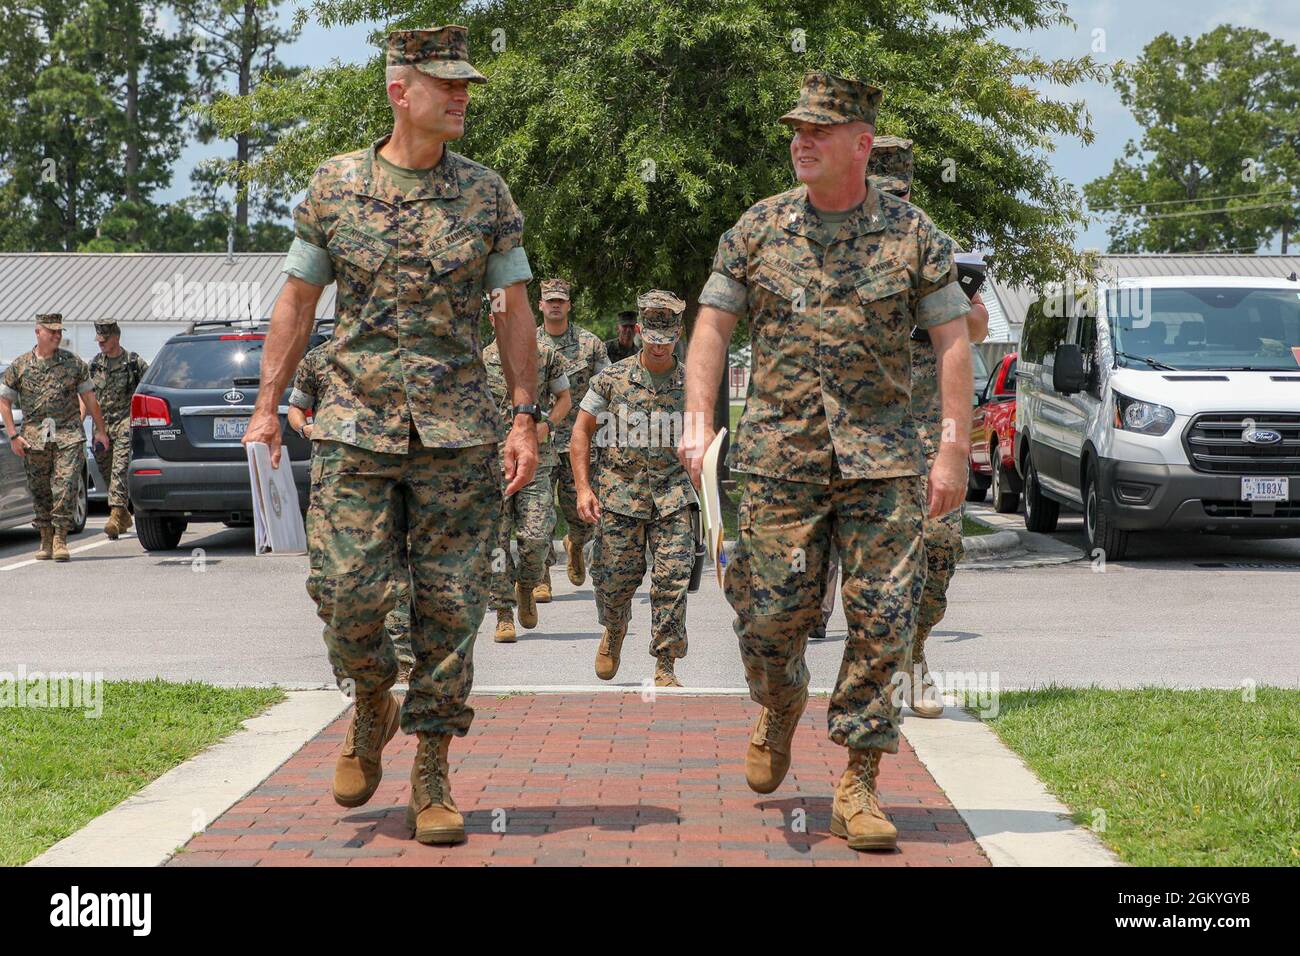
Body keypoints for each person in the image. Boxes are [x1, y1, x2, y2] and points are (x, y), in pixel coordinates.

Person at [241, 25, 539, 847]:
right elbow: (298, 300)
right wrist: (268, 405)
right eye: (445, 83)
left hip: (458, 437)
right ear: (398, 91)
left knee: (451, 608)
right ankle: (373, 697)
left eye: (467, 83)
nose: (462, 95)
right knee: (346, 595)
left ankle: (433, 769)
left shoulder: (487, 194)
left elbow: (514, 308)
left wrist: (524, 414)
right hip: (356, 427)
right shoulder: (334, 185)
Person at [680, 73, 973, 851]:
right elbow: (711, 326)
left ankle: (858, 785)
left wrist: (952, 446)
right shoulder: (758, 227)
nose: (800, 141)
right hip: (780, 459)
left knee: (884, 621)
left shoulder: (913, 233)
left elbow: (953, 341)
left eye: (819, 130)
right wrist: (697, 421)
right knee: (770, 617)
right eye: (796, 129)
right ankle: (778, 703)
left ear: (861, 144)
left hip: (885, 463)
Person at [812, 139, 991, 721]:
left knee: (937, 554)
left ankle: (912, 654)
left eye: (901, 192)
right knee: (863, 564)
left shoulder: (931, 244)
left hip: (925, 431)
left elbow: (980, 329)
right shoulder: (829, 242)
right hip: (860, 431)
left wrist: (949, 301)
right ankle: (874, 669)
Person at [572, 290, 695, 688]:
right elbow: (581, 432)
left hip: (673, 497)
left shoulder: (692, 383)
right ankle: (614, 626)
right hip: (619, 496)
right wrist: (583, 489)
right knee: (612, 582)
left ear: (678, 334)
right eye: (652, 340)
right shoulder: (610, 379)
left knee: (672, 579)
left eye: (667, 340)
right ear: (640, 332)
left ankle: (665, 664)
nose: (659, 348)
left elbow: (706, 438)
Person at [288, 341, 417, 682]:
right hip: (331, 478)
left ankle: (402, 656)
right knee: (336, 575)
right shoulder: (316, 358)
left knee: (396, 563)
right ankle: (355, 659)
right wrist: (305, 428)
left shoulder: (392, 356)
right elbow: (295, 409)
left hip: (381, 476)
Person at [482, 318, 572, 642]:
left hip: (537, 462)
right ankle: (503, 613)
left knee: (536, 536)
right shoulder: (481, 360)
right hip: (494, 467)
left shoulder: (544, 355)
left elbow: (565, 399)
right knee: (496, 544)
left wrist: (545, 426)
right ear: (491, 319)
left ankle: (527, 584)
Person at [1, 314, 110, 562]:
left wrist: (100, 430)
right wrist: (13, 435)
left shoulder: (74, 364)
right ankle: (45, 538)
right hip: (33, 438)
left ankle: (61, 538)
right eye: (52, 332)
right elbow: (4, 401)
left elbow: (90, 398)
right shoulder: (20, 366)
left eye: (60, 332)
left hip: (68, 436)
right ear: (38, 332)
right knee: (40, 491)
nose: (57, 336)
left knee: (66, 485)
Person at [535, 278, 608, 598]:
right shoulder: (526, 342)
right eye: (549, 300)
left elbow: (608, 388)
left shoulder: (590, 344)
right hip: (539, 439)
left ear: (569, 305)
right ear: (540, 305)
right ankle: (539, 575)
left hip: (578, 441)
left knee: (582, 514)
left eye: (560, 300)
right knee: (537, 513)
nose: (555, 305)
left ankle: (575, 544)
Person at [85, 320, 148, 540]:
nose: (100, 344)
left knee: (120, 467)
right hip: (102, 425)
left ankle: (114, 514)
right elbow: (87, 396)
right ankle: (124, 515)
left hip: (125, 421)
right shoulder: (95, 365)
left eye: (104, 340)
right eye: (99, 340)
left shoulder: (133, 362)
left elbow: (147, 388)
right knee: (105, 468)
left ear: (116, 338)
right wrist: (79, 420)